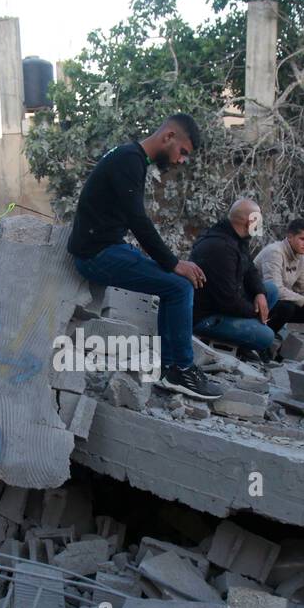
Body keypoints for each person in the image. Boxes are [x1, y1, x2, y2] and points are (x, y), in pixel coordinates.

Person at [67, 114, 221, 400]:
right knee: (179, 285)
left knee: (173, 286)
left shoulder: (130, 157)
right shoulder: (129, 160)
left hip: (106, 248)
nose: (181, 160)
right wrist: (174, 263)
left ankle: (169, 367)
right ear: (168, 137)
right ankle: (179, 369)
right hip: (97, 255)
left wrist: (170, 264)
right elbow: (138, 221)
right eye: (182, 152)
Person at [190, 199, 279, 358]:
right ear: (250, 221)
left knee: (270, 290)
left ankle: (246, 336)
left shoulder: (237, 238)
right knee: (266, 336)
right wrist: (257, 314)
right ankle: (244, 341)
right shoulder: (221, 248)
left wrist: (259, 293)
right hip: (207, 316)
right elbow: (227, 301)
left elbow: (250, 268)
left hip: (227, 303)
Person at [254, 219, 304, 331]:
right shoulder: (275, 252)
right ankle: (263, 337)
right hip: (258, 299)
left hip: (278, 301)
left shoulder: (300, 256)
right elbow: (276, 290)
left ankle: (272, 330)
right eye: (303, 239)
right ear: (290, 237)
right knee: (287, 307)